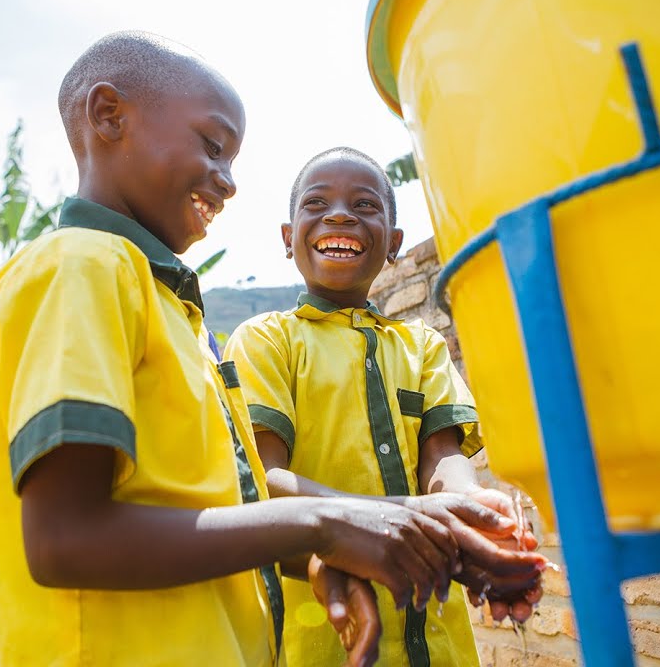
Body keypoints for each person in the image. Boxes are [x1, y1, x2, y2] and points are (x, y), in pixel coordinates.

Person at [0, 31, 521, 667]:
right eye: (212, 146)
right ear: (109, 116)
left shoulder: (176, 317)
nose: (227, 184)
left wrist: (320, 558)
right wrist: (326, 525)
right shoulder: (81, 267)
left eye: (231, 161)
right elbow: (66, 539)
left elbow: (221, 510)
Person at [223, 146, 548, 667]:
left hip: (440, 642)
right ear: (288, 238)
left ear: (394, 244)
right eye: (317, 203)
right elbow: (266, 480)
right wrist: (413, 518)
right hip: (320, 640)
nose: (339, 215)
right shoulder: (265, 340)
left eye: (365, 205)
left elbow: (443, 458)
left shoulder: (422, 345)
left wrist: (475, 513)